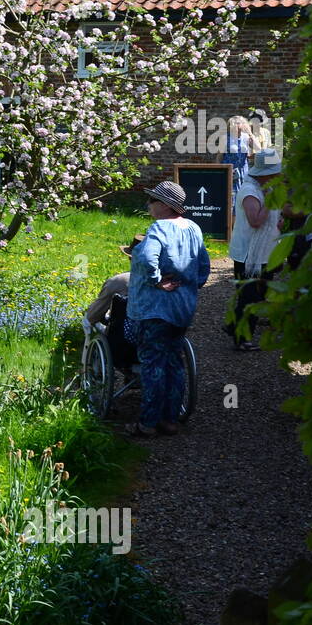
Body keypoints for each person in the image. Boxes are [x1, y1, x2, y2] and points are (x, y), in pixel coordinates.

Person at [126, 181, 210, 437]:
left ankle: (148, 423)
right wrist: (190, 287)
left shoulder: (159, 228)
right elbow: (204, 266)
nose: (148, 205)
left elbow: (147, 258)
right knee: (174, 363)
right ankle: (170, 420)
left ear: (164, 205)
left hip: (154, 309)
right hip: (182, 309)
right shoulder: (193, 228)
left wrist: (156, 281)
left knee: (153, 365)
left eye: (152, 200)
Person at [225, 144, 283, 351]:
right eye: (274, 173)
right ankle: (243, 340)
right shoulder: (251, 191)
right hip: (249, 254)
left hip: (263, 252)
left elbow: (269, 220)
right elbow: (256, 221)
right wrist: (270, 201)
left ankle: (233, 326)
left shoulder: (263, 188)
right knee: (250, 296)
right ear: (266, 174)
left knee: (255, 292)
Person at [223, 115, 254, 218]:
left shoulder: (246, 137)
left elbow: (257, 150)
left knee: (243, 199)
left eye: (239, 123)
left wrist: (250, 134)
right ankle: (230, 229)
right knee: (231, 200)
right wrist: (220, 171)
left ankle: (240, 225)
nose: (236, 126)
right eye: (234, 124)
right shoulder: (226, 137)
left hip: (243, 172)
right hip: (230, 171)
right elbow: (219, 156)